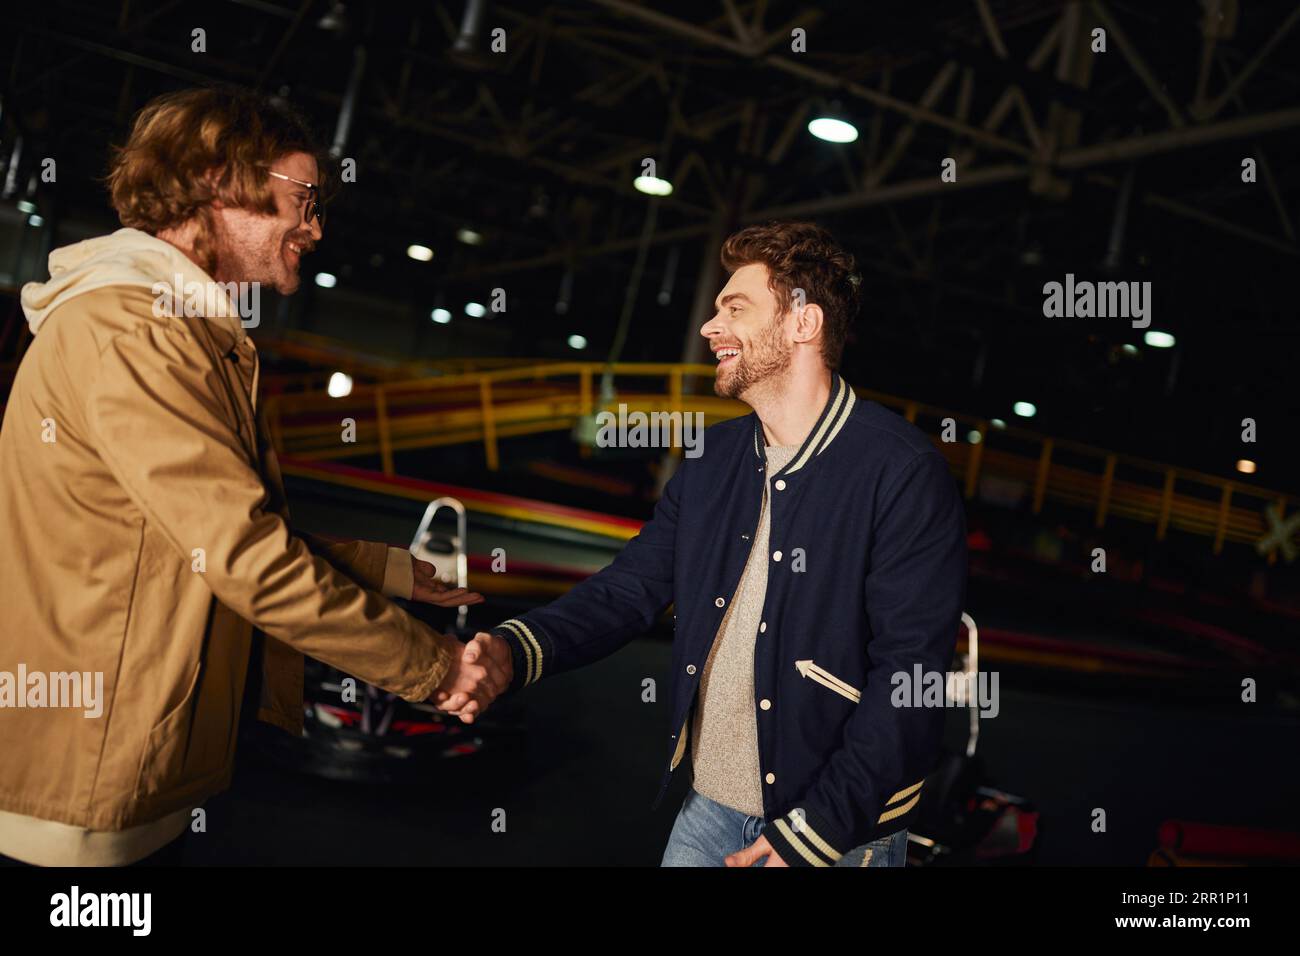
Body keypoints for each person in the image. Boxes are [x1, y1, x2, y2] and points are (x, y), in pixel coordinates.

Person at [0, 87, 505, 867]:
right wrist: (434, 669)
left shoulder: (176, 328)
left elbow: (193, 538)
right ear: (216, 180)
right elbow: (242, 557)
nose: (315, 227)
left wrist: (388, 571)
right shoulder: (134, 331)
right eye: (301, 200)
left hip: (125, 754)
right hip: (88, 779)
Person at [446, 221, 968, 867]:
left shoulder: (900, 468)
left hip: (832, 832)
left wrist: (820, 827)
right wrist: (516, 649)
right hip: (708, 808)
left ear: (802, 323)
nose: (709, 327)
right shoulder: (715, 456)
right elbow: (631, 588)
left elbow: (911, 675)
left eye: (735, 308)